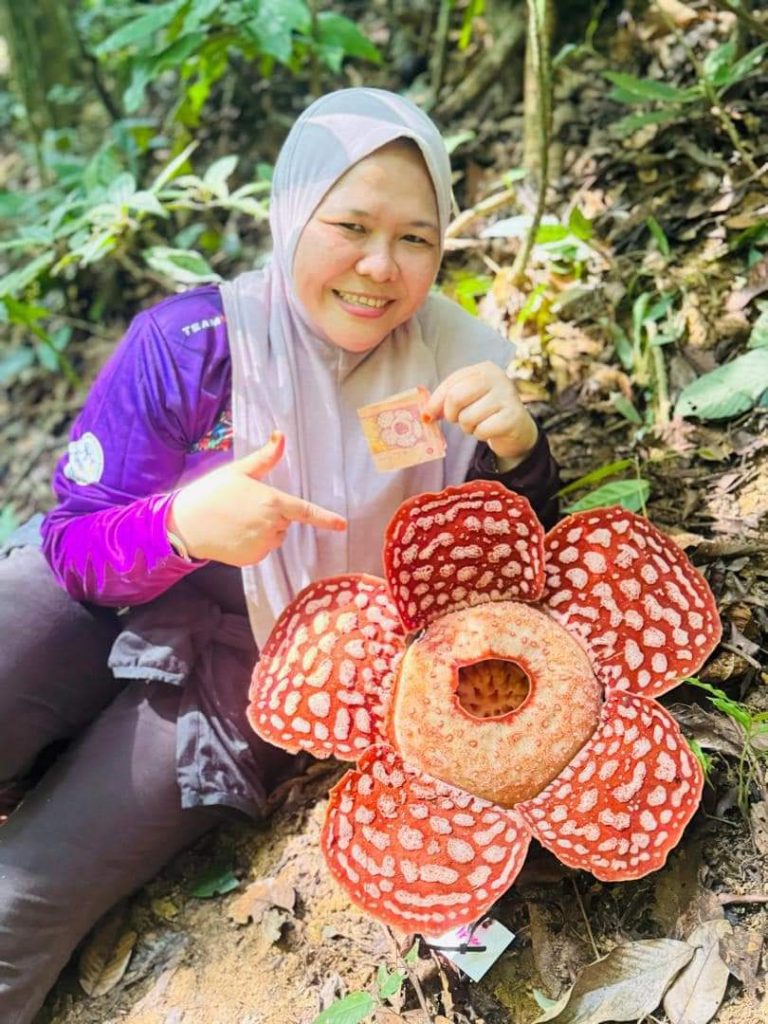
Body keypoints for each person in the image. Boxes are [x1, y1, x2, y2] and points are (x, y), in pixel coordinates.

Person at [0, 87, 560, 1022]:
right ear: (293, 211)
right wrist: (180, 526)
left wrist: (521, 450)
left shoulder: (455, 365)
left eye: (416, 239)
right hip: (99, 603)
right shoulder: (195, 346)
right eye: (351, 226)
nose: (379, 267)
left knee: (21, 899)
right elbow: (75, 541)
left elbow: (501, 577)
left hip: (258, 670)